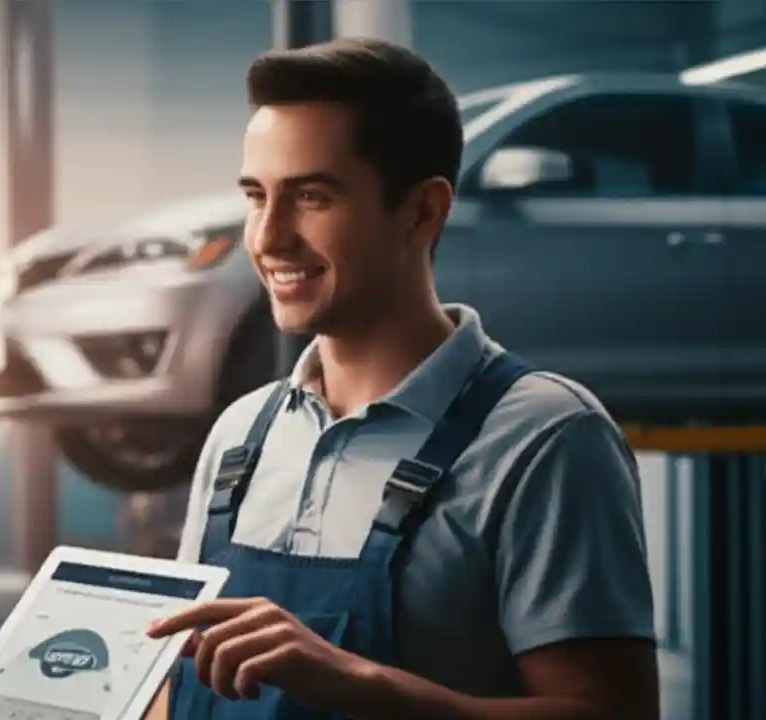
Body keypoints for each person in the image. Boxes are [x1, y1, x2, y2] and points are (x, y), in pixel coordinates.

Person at [146, 38, 659, 720]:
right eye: (255, 197)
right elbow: (180, 695)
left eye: (311, 197)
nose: (268, 238)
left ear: (424, 211)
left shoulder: (545, 440)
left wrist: (362, 684)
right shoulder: (243, 435)